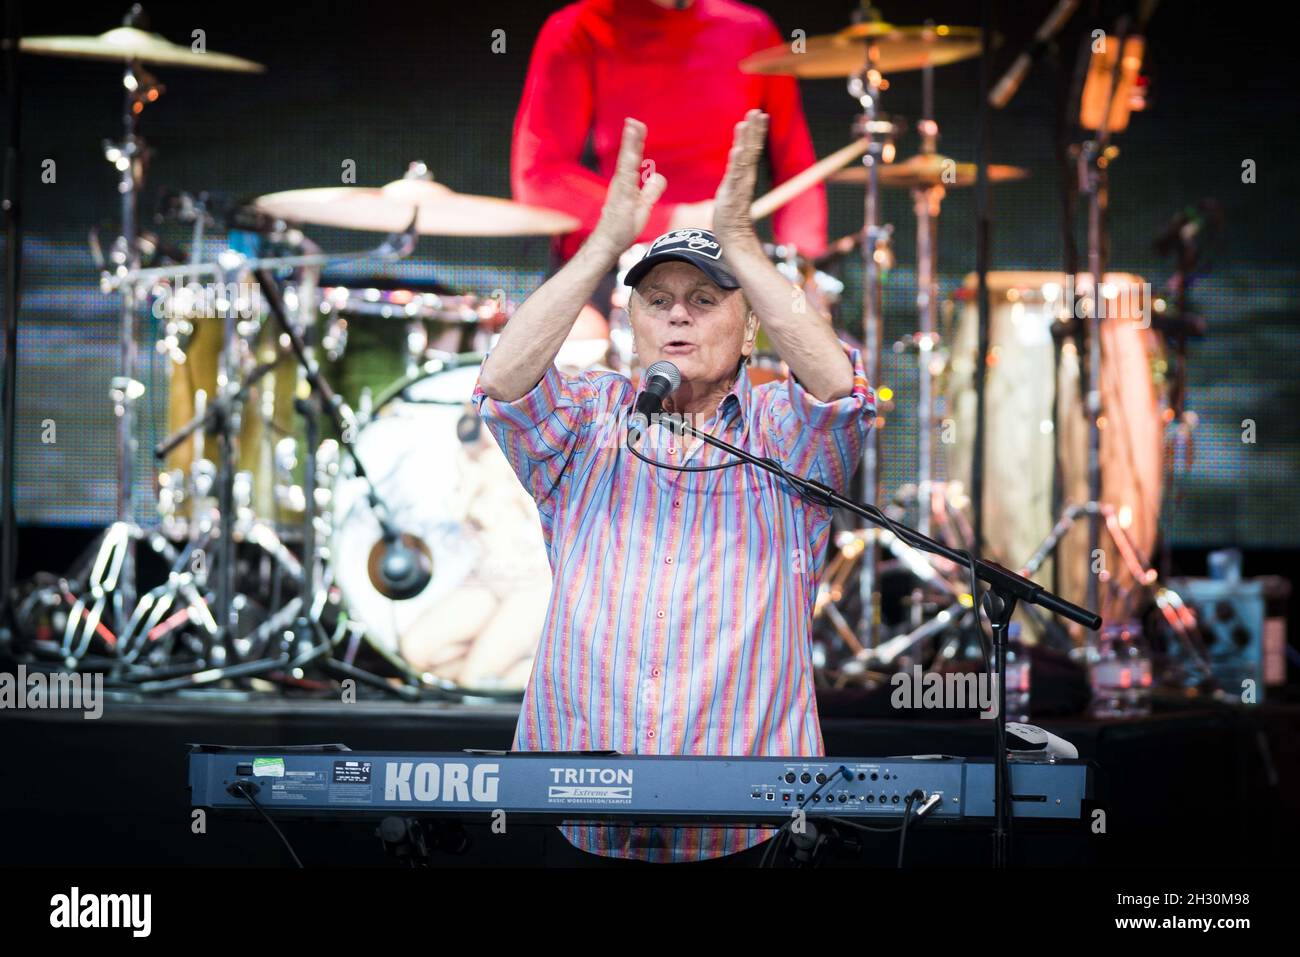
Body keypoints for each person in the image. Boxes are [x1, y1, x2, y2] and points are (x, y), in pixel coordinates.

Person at [474, 111, 873, 863]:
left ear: (750, 329)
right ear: (632, 324)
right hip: (576, 816)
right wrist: (602, 244)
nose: (678, 316)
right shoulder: (589, 420)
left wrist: (741, 243)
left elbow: (841, 389)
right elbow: (500, 387)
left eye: (705, 299)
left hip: (750, 827)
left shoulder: (780, 431)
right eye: (657, 301)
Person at [512, 0, 827, 264]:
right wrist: (672, 222)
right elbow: (540, 178)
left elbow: (796, 170)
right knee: (581, 337)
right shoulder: (577, 28)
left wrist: (802, 266)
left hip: (723, 256)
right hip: (607, 259)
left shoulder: (752, 30)